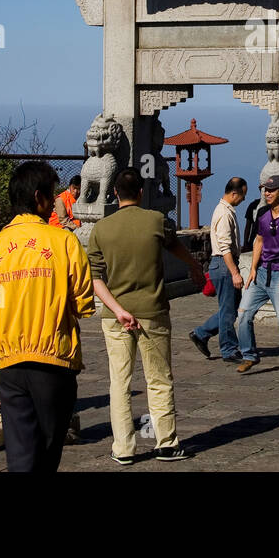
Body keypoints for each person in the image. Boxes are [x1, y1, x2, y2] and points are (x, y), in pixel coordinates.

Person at [0, 161, 95, 472]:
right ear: (39, 197)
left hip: (9, 363)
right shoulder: (64, 242)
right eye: (53, 196)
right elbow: (83, 303)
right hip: (54, 362)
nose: (55, 202)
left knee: (21, 453)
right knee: (48, 451)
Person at [86, 167, 206, 465]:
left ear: (115, 193)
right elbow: (175, 243)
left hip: (115, 316)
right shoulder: (156, 220)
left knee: (120, 383)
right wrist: (194, 265)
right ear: (141, 192)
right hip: (153, 312)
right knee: (159, 379)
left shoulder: (101, 228)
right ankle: (166, 442)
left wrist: (118, 310)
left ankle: (123, 448)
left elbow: (95, 277)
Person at [236, 175, 279, 378]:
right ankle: (249, 355)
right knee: (243, 315)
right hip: (261, 273)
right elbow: (258, 240)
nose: (267, 193)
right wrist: (253, 268)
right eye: (265, 190)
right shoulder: (263, 213)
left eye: (271, 190)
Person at [189, 177, 247, 363]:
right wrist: (235, 272)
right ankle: (229, 349)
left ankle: (201, 333)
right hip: (224, 264)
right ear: (234, 193)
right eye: (242, 195)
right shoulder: (224, 213)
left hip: (222, 264)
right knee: (228, 310)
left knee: (228, 308)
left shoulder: (226, 210)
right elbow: (225, 247)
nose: (243, 200)